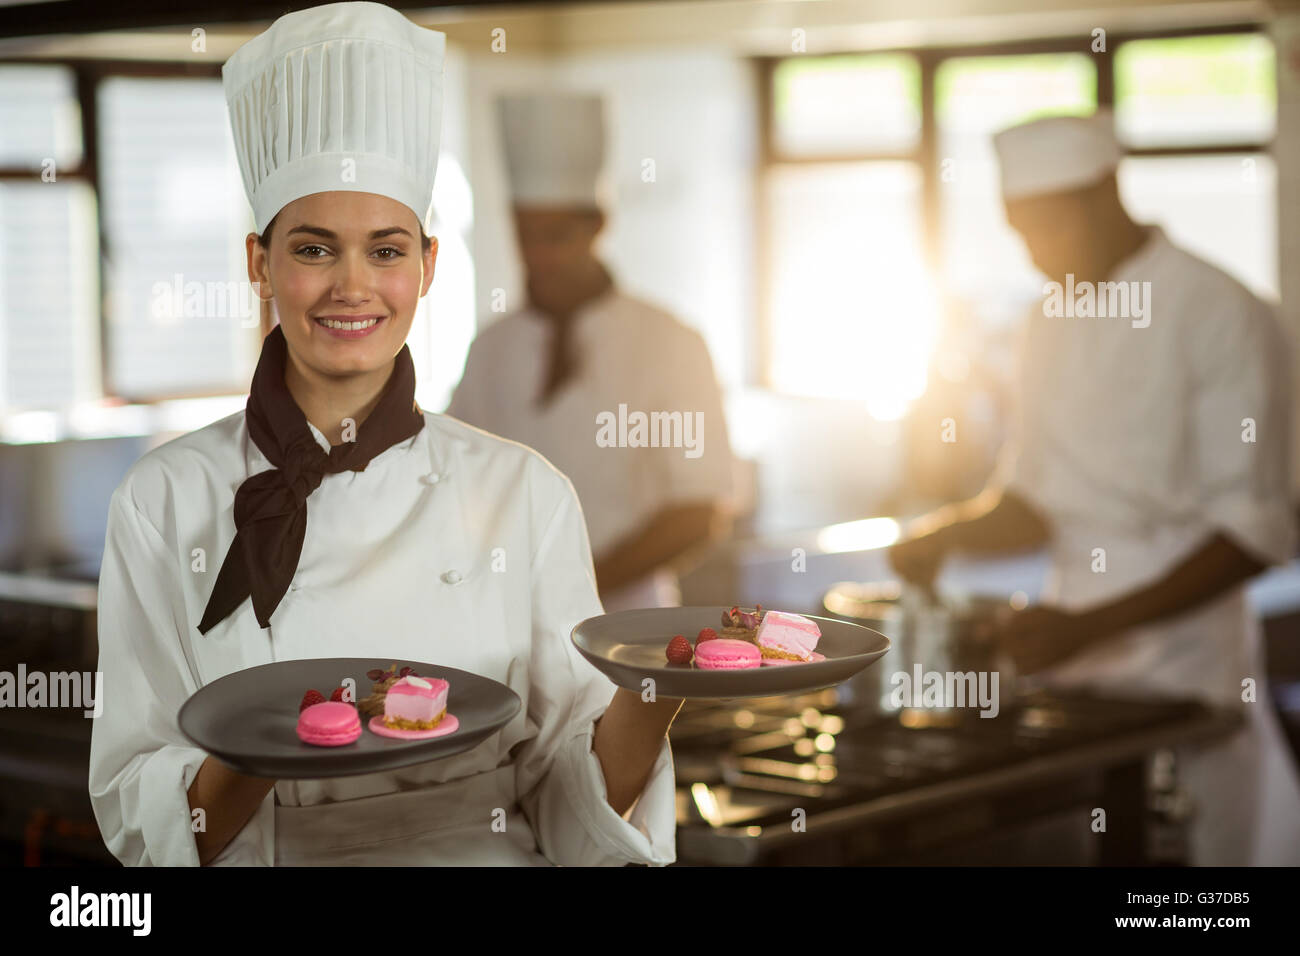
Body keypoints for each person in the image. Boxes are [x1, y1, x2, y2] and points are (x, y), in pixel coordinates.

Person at [87, 1, 678, 866]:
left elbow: (569, 795)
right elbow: (142, 809)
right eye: (316, 249)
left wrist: (662, 691)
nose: (352, 287)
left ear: (429, 265)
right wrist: (261, 752)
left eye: (388, 250)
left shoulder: (526, 493)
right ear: (259, 263)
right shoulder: (163, 500)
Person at [888, 112, 1300, 866]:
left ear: (1104, 195)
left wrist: (1096, 624)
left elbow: (1256, 532)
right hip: (1067, 656)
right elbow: (1034, 500)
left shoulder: (1220, 311)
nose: (1035, 256)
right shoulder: (1047, 321)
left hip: (1189, 663)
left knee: (1200, 876)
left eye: (1045, 228)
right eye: (1018, 232)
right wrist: (946, 532)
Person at [446, 92, 733, 612]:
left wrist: (578, 587)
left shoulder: (670, 344)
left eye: (556, 235)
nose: (539, 255)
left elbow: (699, 509)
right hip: (506, 615)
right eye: (526, 234)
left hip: (629, 619)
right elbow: (455, 485)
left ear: (598, 225)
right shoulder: (489, 350)